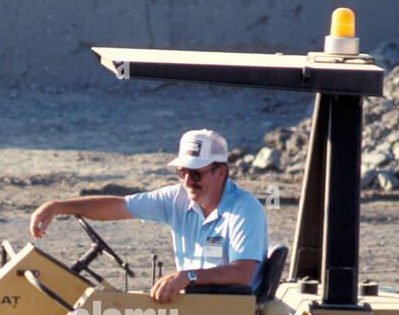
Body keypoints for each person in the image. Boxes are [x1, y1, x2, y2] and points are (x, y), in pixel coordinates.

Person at [29, 129, 268, 303]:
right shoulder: (175, 198)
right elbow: (118, 207)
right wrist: (58, 206)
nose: (186, 181)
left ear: (221, 172)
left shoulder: (245, 209)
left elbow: (241, 273)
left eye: (195, 174)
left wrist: (188, 277)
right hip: (195, 305)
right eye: (181, 172)